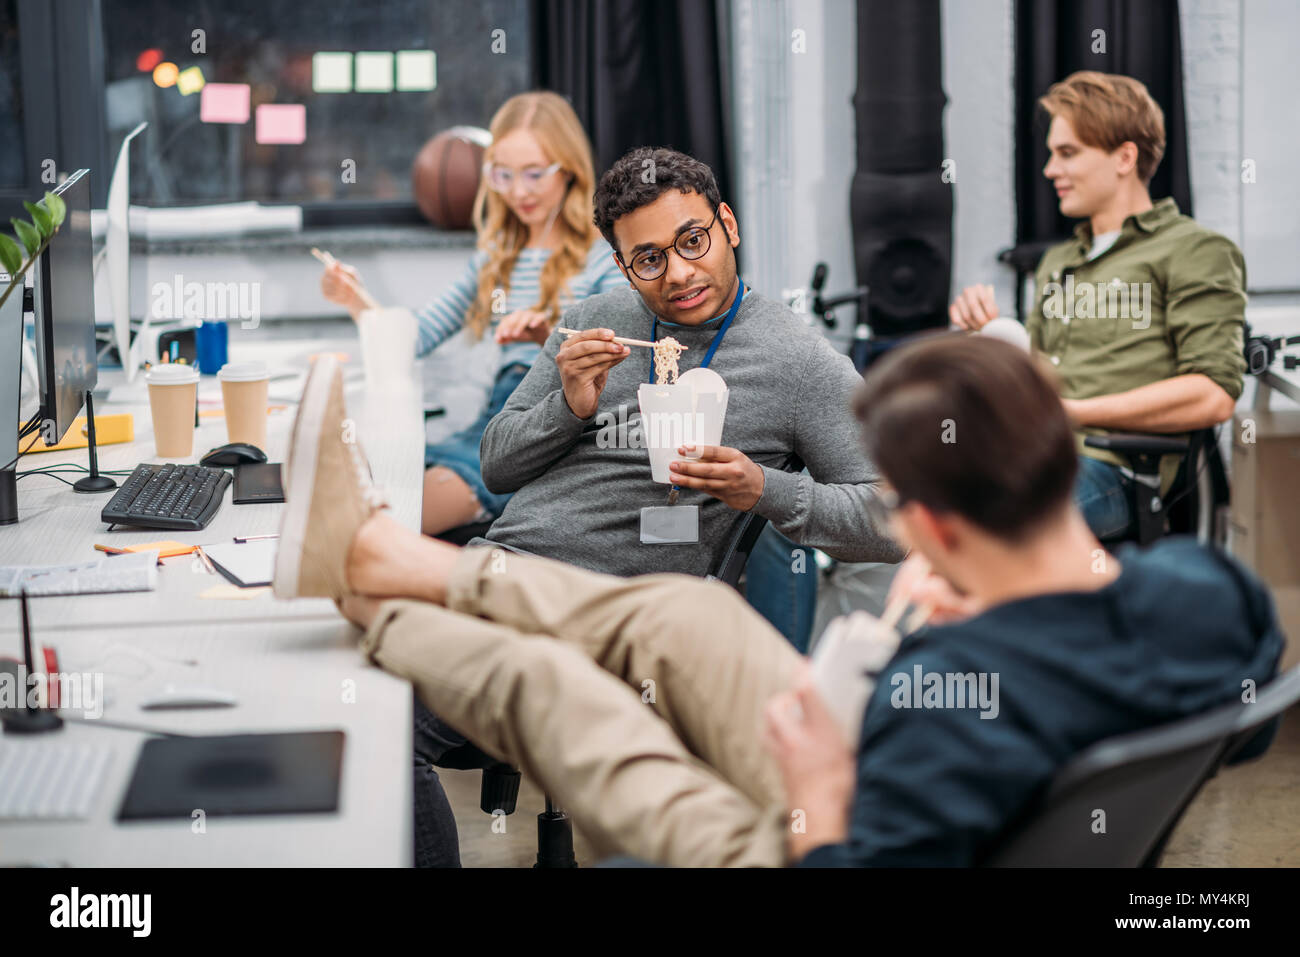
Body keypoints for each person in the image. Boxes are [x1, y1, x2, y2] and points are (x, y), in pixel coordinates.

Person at [272, 335, 1283, 866]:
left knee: (558, 689)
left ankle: (370, 596)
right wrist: (1006, 609)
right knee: (691, 613)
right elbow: (1231, 731)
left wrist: (821, 792)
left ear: (926, 530)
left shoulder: (949, 687)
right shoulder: (1209, 591)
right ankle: (395, 559)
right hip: (891, 762)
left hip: (812, 838)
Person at [473, 146, 902, 577]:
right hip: (502, 563)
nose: (678, 273)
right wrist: (567, 408)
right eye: (649, 259)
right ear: (624, 269)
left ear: (729, 226)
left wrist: (763, 488)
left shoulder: (798, 359)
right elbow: (496, 468)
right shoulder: (592, 322)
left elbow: (896, 520)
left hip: (617, 604)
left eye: (693, 241)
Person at [949, 71, 1246, 542]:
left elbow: (1213, 394)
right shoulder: (1057, 260)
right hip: (1032, 453)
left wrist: (1075, 411)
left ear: (1125, 156)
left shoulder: (1194, 250)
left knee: (982, 523)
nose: (1050, 170)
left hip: (1114, 472)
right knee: (896, 492)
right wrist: (991, 336)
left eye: (1067, 153)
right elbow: (1037, 375)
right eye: (1051, 154)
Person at [320, 91, 624, 538]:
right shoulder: (496, 257)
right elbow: (415, 337)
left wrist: (549, 342)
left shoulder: (604, 260)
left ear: (570, 170)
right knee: (352, 489)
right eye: (503, 175)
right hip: (493, 427)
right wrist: (355, 299)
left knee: (380, 527)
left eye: (534, 174)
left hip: (549, 435)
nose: (518, 191)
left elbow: (621, 369)